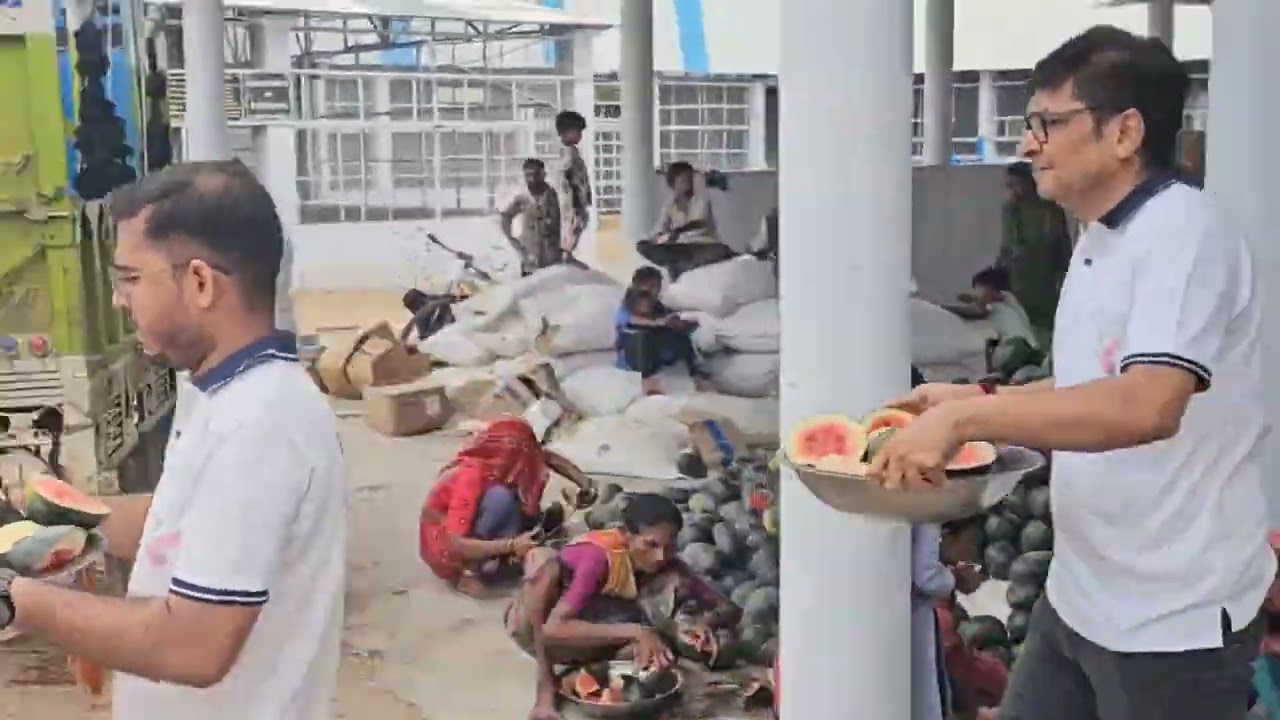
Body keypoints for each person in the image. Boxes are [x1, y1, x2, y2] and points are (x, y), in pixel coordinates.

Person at [869, 26, 1274, 720]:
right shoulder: (1101, 237)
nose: (1029, 144)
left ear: (1125, 133)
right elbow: (1097, 383)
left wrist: (966, 421)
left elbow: (1148, 405)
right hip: (1081, 592)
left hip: (1170, 619)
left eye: (1048, 123)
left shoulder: (1183, 234)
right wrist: (980, 395)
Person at [0, 160, 346, 718]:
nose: (118, 301)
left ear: (201, 282)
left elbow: (193, 645)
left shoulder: (260, 422)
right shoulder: (230, 393)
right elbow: (179, 523)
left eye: (131, 279)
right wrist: (45, 521)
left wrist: (18, 603)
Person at [505, 493, 740, 720]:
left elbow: (729, 608)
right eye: (651, 545)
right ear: (626, 535)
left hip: (594, 630)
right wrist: (636, 631)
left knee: (655, 645)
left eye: (668, 547)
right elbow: (552, 630)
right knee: (547, 571)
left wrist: (705, 623)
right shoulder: (598, 558)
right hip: (538, 628)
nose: (660, 556)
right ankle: (546, 691)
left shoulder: (671, 566)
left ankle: (594, 670)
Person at [418, 417, 594, 598]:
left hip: (470, 527)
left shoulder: (498, 457)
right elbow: (454, 543)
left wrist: (586, 484)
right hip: (446, 547)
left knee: (518, 504)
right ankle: (467, 573)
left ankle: (502, 555)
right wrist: (512, 545)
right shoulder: (471, 475)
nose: (530, 458)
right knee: (502, 499)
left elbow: (547, 457)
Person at [996, 160, 1073, 344]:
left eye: (1016, 185)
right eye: (1009, 186)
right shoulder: (1009, 209)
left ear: (1031, 183)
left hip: (1042, 278)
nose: (1012, 190)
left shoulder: (1050, 210)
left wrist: (1065, 278)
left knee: (1044, 328)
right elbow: (1006, 245)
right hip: (1015, 279)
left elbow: (1061, 246)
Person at [615, 266, 712, 394]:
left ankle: (694, 373)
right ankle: (647, 381)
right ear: (638, 284)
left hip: (658, 354)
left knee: (680, 336)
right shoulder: (627, 305)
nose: (655, 290)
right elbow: (629, 320)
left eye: (657, 286)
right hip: (634, 357)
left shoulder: (658, 305)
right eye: (651, 285)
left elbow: (669, 319)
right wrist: (657, 323)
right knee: (641, 339)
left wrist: (679, 323)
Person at [635, 161, 736, 280]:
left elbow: (700, 221)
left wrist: (678, 231)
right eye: (683, 180)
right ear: (673, 184)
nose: (688, 183)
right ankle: (681, 264)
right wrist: (661, 238)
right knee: (642, 245)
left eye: (690, 179)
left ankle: (681, 265)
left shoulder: (701, 198)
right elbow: (659, 231)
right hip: (682, 248)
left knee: (721, 250)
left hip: (705, 245)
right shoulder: (670, 205)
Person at [499, 158, 562, 275]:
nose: (532, 179)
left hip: (551, 257)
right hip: (530, 258)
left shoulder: (552, 195)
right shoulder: (524, 197)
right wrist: (511, 239)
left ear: (544, 174)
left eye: (536, 175)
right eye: (528, 175)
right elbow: (506, 217)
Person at [554, 110, 592, 262]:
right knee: (572, 224)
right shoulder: (567, 152)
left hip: (577, 195)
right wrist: (575, 195)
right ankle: (566, 254)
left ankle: (568, 253)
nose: (580, 135)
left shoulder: (573, 151)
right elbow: (566, 174)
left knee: (579, 222)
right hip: (571, 197)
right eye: (577, 131)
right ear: (566, 132)